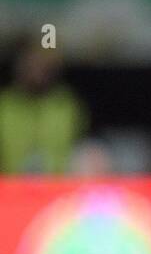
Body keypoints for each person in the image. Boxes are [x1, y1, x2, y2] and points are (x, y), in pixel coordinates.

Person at [0, 44, 88, 175]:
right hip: (10, 186)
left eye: (43, 65)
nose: (37, 71)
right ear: (19, 66)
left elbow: (81, 147)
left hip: (57, 185)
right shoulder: (4, 104)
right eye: (31, 65)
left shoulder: (67, 104)